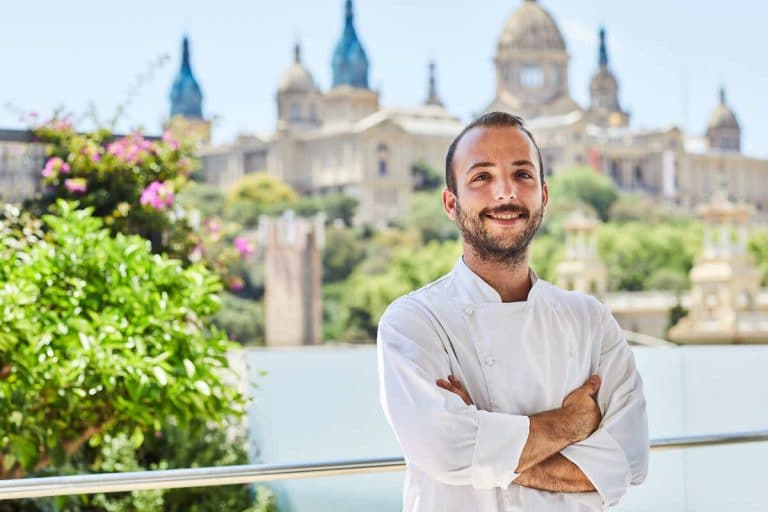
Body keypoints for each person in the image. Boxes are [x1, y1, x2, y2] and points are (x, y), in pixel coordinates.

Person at [376, 111, 649, 511]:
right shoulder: (413, 321)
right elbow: (446, 450)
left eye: (522, 175)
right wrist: (570, 425)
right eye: (481, 177)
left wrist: (485, 441)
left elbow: (630, 460)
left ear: (543, 194)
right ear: (451, 203)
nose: (505, 193)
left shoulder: (590, 321)